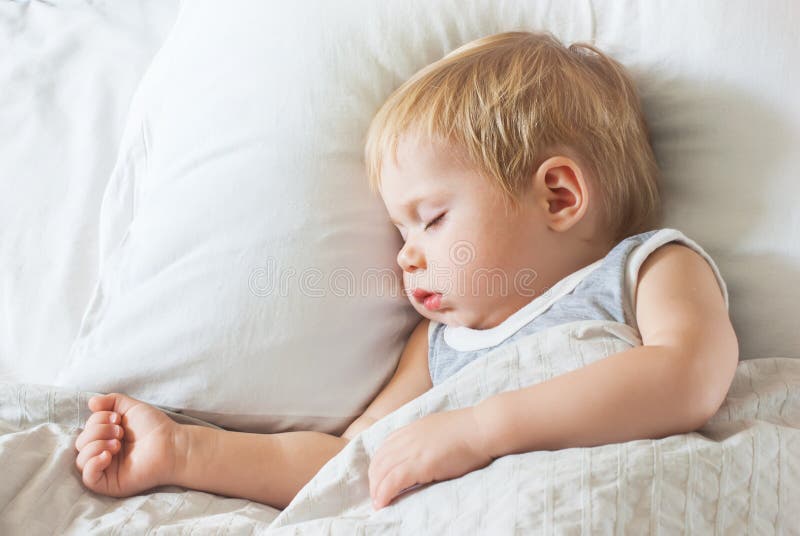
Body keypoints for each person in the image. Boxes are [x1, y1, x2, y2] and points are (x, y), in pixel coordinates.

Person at [74, 31, 738, 512]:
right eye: (400, 230)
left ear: (558, 196)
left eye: (432, 218)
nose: (405, 255)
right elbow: (352, 459)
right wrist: (184, 453)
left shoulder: (646, 270)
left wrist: (478, 430)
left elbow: (688, 375)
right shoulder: (439, 348)